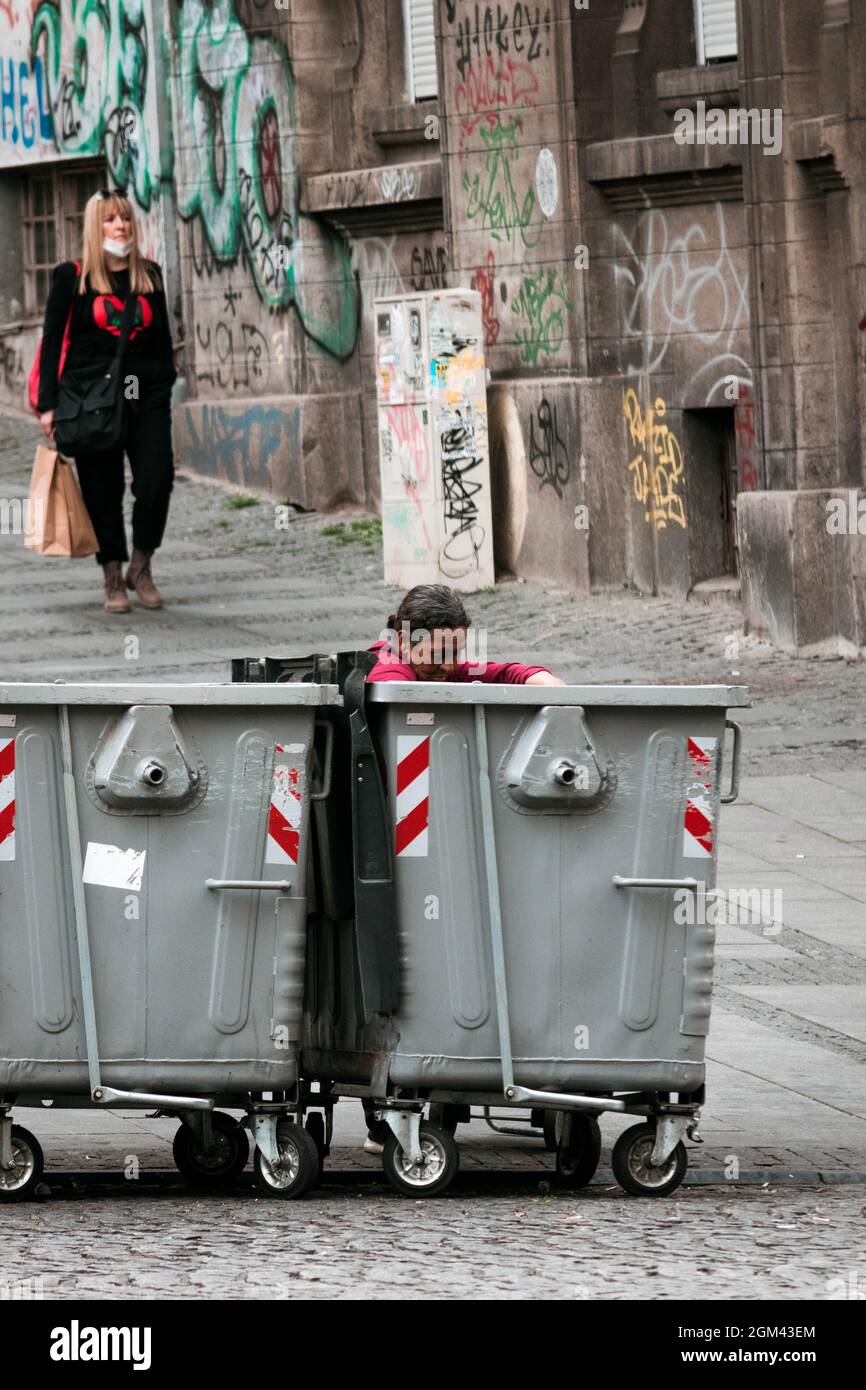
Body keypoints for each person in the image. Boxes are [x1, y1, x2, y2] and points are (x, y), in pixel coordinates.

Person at [361, 584, 565, 1152]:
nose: (452, 662)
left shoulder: (434, 669)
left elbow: (494, 671)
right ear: (407, 638)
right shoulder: (392, 678)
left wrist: (533, 678)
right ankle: (412, 1096)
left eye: (457, 648)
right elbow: (411, 710)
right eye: (441, 651)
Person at [36, 189, 178, 614]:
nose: (120, 227)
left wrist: (164, 383)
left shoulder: (149, 275)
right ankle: (112, 573)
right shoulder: (72, 279)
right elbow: (50, 342)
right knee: (103, 489)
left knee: (155, 480)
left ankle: (142, 564)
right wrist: (48, 405)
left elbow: (163, 341)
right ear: (95, 228)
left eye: (125, 220)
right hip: (91, 396)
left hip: (143, 392)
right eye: (110, 220)